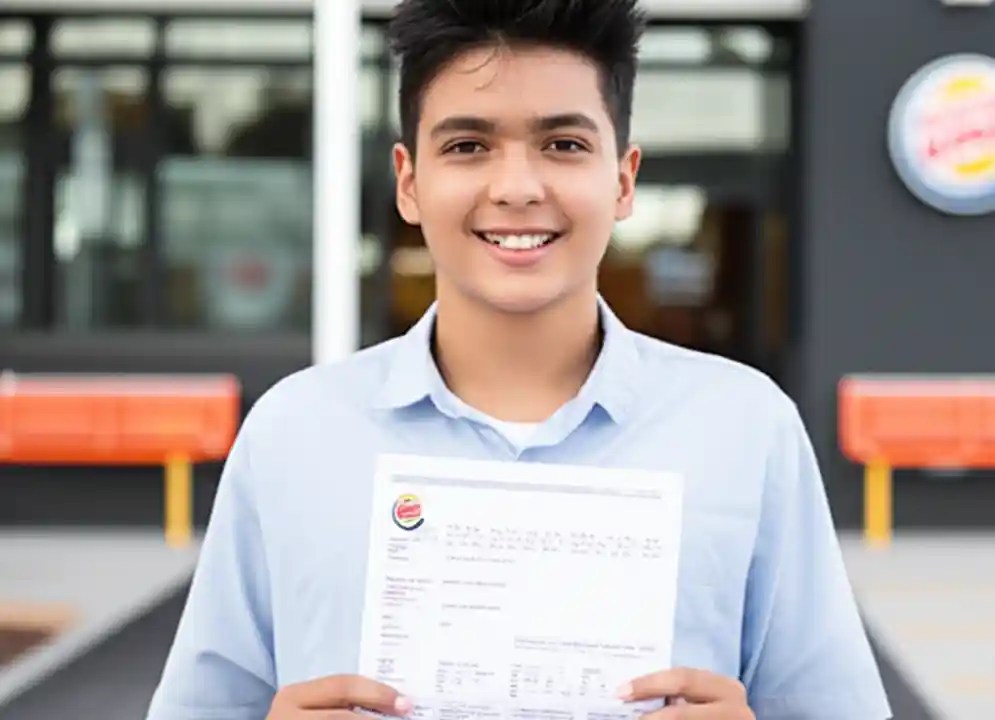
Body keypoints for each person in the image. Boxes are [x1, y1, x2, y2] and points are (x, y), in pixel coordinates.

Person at [145, 0, 891, 718]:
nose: (516, 188)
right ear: (409, 181)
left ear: (623, 179)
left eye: (563, 145)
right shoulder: (295, 432)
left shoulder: (745, 427)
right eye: (468, 146)